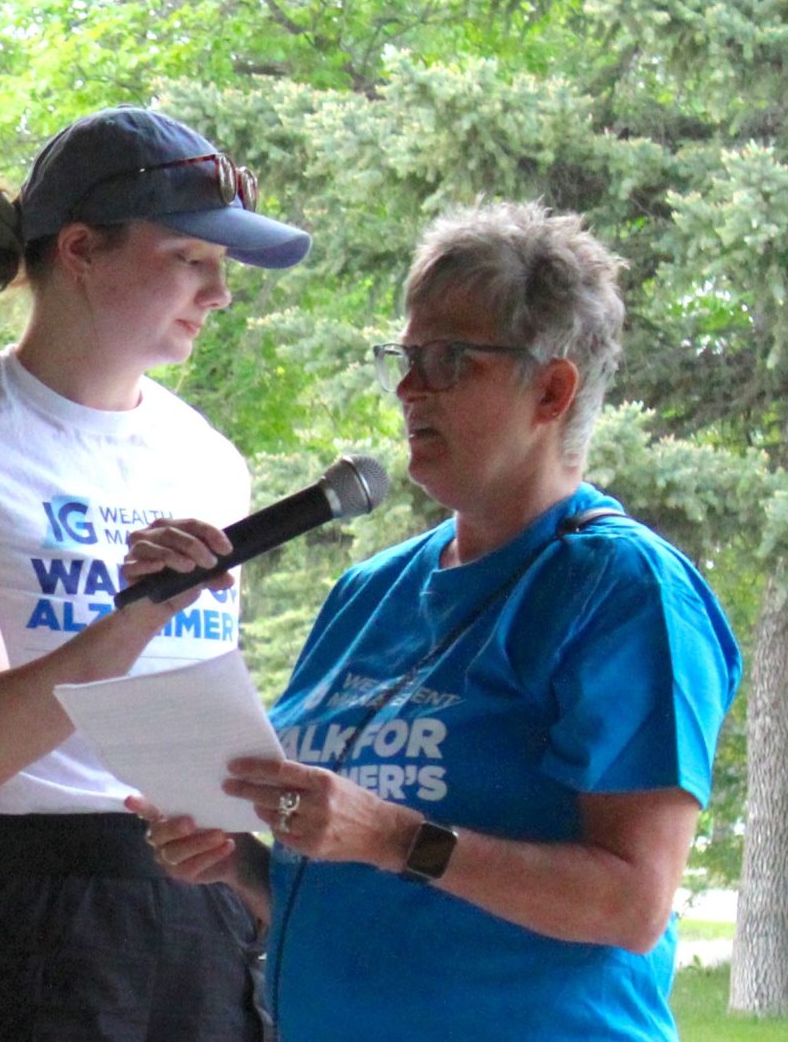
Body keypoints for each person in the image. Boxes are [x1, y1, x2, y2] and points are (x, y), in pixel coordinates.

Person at [127, 200, 740, 1040]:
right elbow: (368, 892)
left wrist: (388, 835)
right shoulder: (367, 593)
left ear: (552, 390)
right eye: (406, 357)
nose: (410, 387)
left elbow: (632, 902)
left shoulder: (620, 588)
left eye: (450, 360)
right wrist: (238, 862)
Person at [0, 104, 310, 1042]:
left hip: (198, 896)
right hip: (15, 903)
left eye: (223, 267)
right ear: (79, 250)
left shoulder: (211, 462)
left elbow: (197, 714)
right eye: (192, 258)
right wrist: (139, 611)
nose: (219, 292)